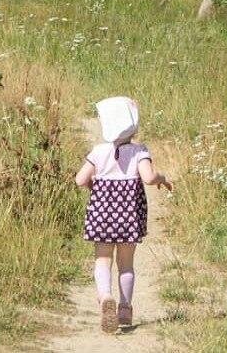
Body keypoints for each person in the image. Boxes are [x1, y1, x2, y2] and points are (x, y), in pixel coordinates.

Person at [75, 96, 172, 333]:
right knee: (126, 264)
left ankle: (105, 296)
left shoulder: (98, 151)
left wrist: (95, 188)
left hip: (101, 214)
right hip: (128, 216)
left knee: (102, 260)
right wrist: (163, 179)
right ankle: (125, 308)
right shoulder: (139, 151)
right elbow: (148, 178)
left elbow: (79, 180)